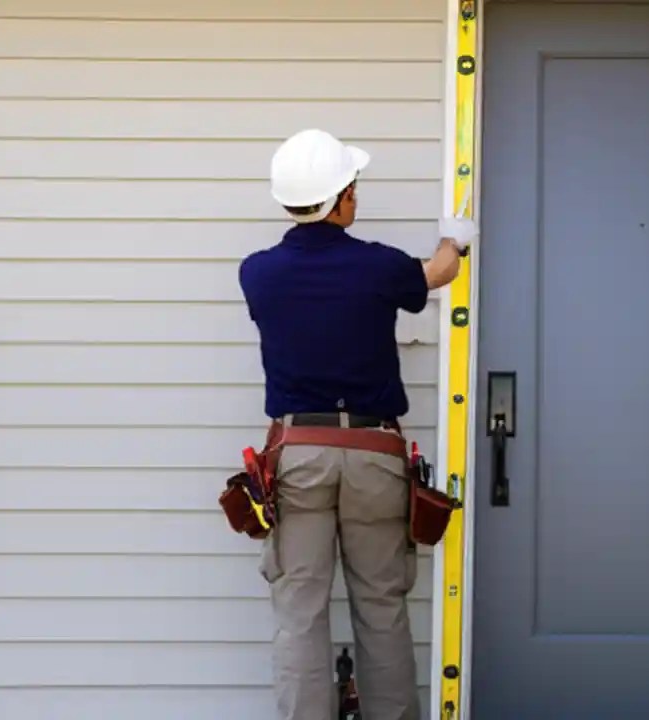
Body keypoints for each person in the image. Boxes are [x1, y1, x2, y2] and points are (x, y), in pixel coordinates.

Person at [238, 128, 477, 720]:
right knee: (381, 608)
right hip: (374, 453)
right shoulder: (377, 265)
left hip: (298, 456)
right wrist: (455, 237)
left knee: (300, 613)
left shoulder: (258, 273)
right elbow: (439, 271)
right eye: (353, 187)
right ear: (340, 198)